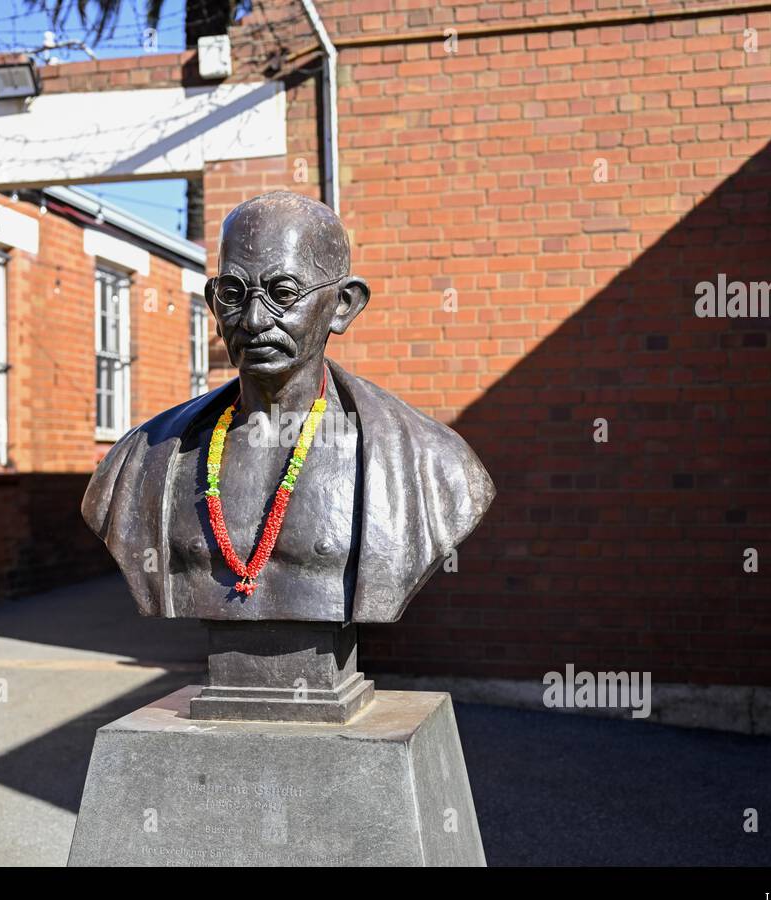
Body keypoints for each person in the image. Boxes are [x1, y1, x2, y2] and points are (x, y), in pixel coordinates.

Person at [82, 191, 494, 623]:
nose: (254, 320)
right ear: (212, 301)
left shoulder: (432, 462)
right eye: (234, 293)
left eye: (282, 292)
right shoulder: (142, 459)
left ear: (343, 305)